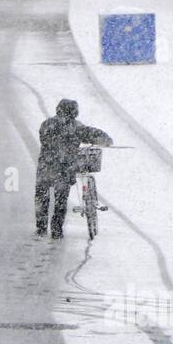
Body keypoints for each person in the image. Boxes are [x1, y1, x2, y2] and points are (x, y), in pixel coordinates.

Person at [35, 99, 113, 239]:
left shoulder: (46, 124)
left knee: (42, 197)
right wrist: (106, 140)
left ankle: (41, 228)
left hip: (46, 167)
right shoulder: (76, 127)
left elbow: (44, 138)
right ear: (75, 112)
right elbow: (92, 134)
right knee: (61, 199)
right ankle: (57, 230)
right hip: (64, 169)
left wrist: (56, 149)